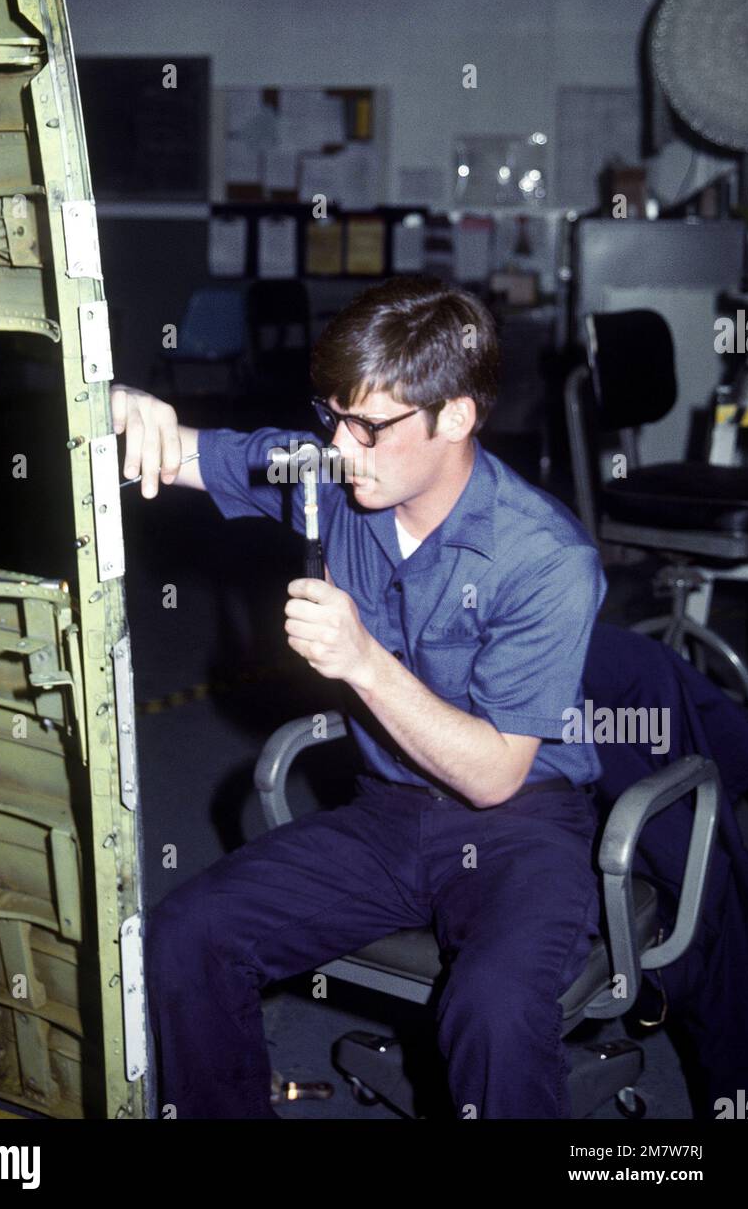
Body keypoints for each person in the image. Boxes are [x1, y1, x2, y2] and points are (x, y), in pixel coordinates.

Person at [110, 273, 607, 1119]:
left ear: (456, 416)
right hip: (390, 814)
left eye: (369, 426)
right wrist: (122, 401)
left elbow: (494, 776)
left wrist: (365, 661)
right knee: (188, 935)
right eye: (331, 416)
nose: (341, 444)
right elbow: (177, 450)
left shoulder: (546, 559)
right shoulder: (332, 472)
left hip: (524, 821)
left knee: (492, 1009)